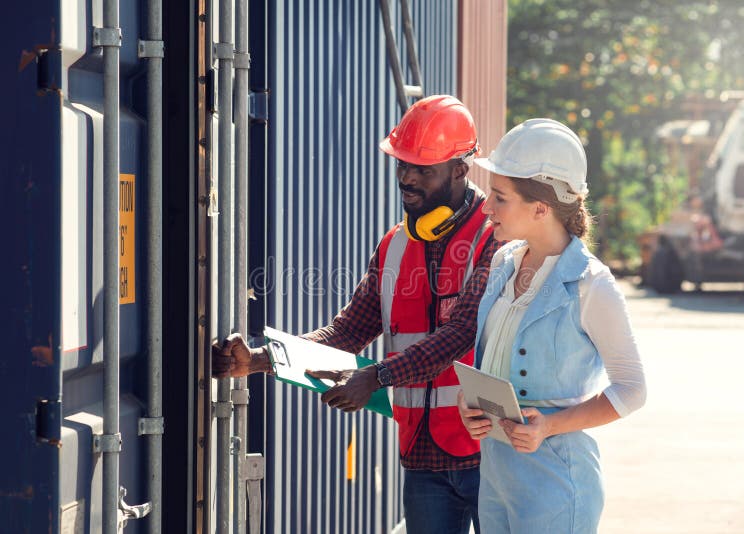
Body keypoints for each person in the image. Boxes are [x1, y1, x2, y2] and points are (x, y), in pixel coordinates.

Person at [213, 95, 502, 534]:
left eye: (422, 169)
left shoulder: (494, 236)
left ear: (461, 169)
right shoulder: (394, 246)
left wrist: (376, 378)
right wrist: (257, 360)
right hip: (421, 455)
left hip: (489, 451)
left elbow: (462, 333)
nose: (406, 178)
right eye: (402, 165)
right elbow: (347, 332)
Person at [457, 118, 646, 533]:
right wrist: (472, 408)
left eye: (500, 197)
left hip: (558, 483)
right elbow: (496, 363)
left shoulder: (591, 285)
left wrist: (551, 425)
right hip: (496, 477)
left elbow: (633, 389)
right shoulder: (503, 263)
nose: (487, 208)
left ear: (541, 207)